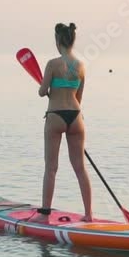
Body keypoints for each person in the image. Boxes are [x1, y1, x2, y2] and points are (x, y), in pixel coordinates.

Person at [37, 23, 93, 222]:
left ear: (58, 40)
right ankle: (88, 215)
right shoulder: (81, 66)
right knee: (80, 167)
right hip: (76, 117)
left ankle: (44, 215)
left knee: (51, 168)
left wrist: (48, 88)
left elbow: (42, 91)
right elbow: (79, 97)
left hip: (56, 116)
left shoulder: (52, 64)